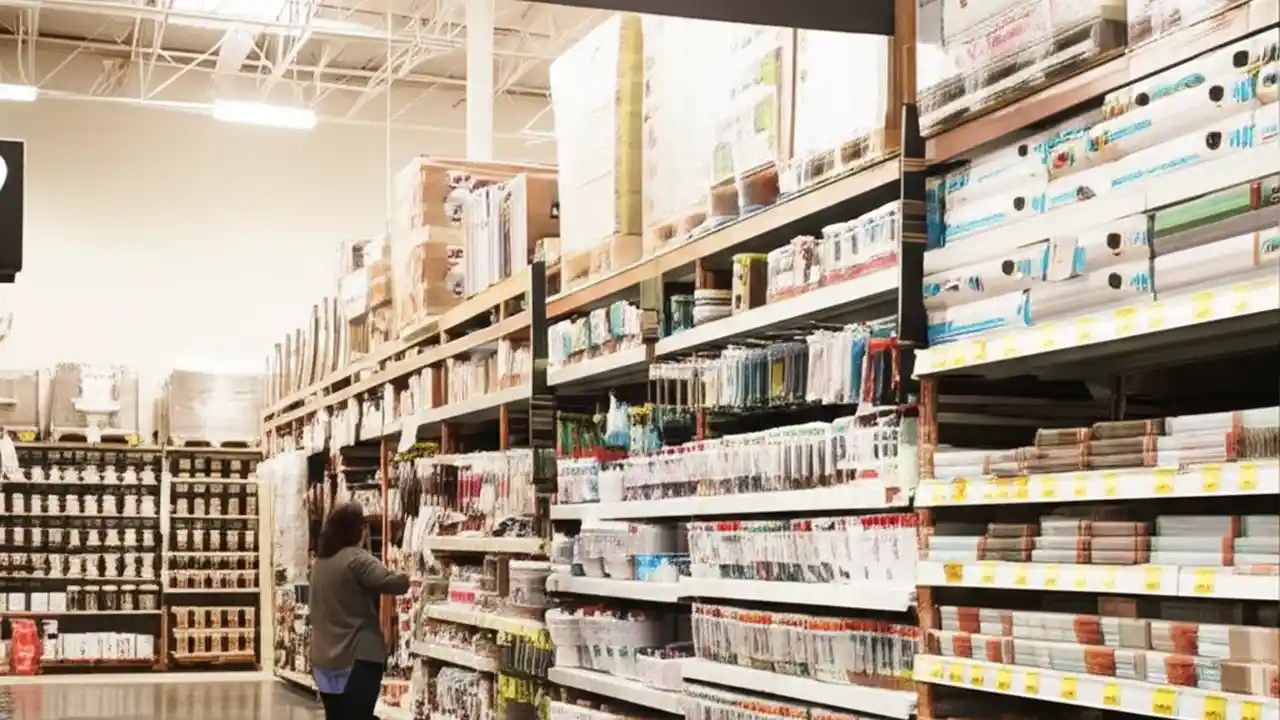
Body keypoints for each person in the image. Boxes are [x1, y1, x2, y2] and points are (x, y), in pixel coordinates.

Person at [310, 501, 410, 720]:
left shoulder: (320, 564)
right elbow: (394, 583)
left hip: (323, 659)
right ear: (359, 529)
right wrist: (408, 574)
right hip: (357, 655)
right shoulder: (357, 559)